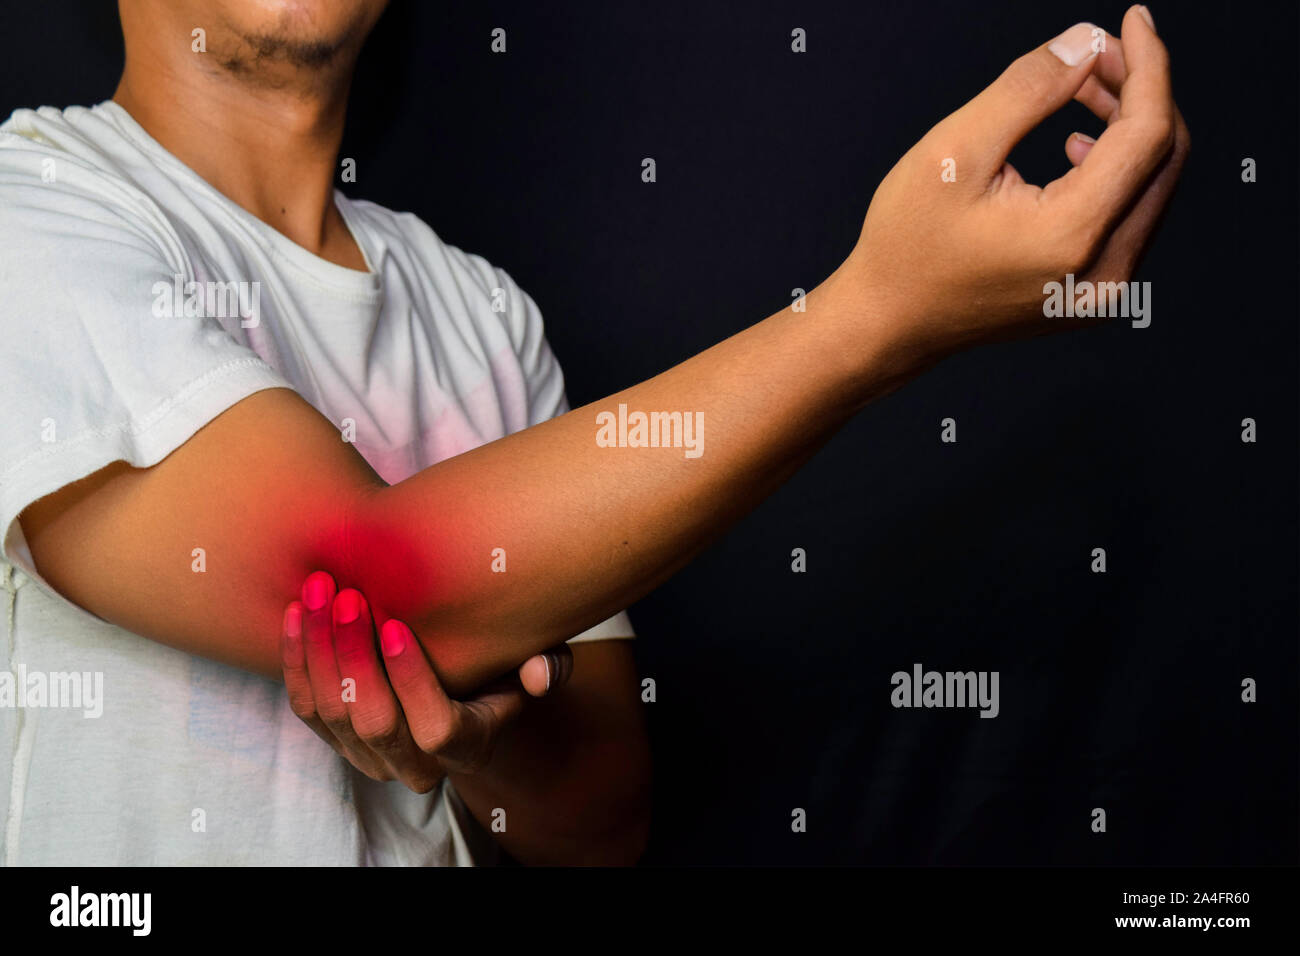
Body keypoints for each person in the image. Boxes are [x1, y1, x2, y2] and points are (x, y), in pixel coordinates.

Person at [0, 1, 1188, 866]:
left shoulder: (483, 308)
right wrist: (876, 319)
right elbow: (363, 572)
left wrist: (475, 739)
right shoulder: (30, 205)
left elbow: (602, 818)